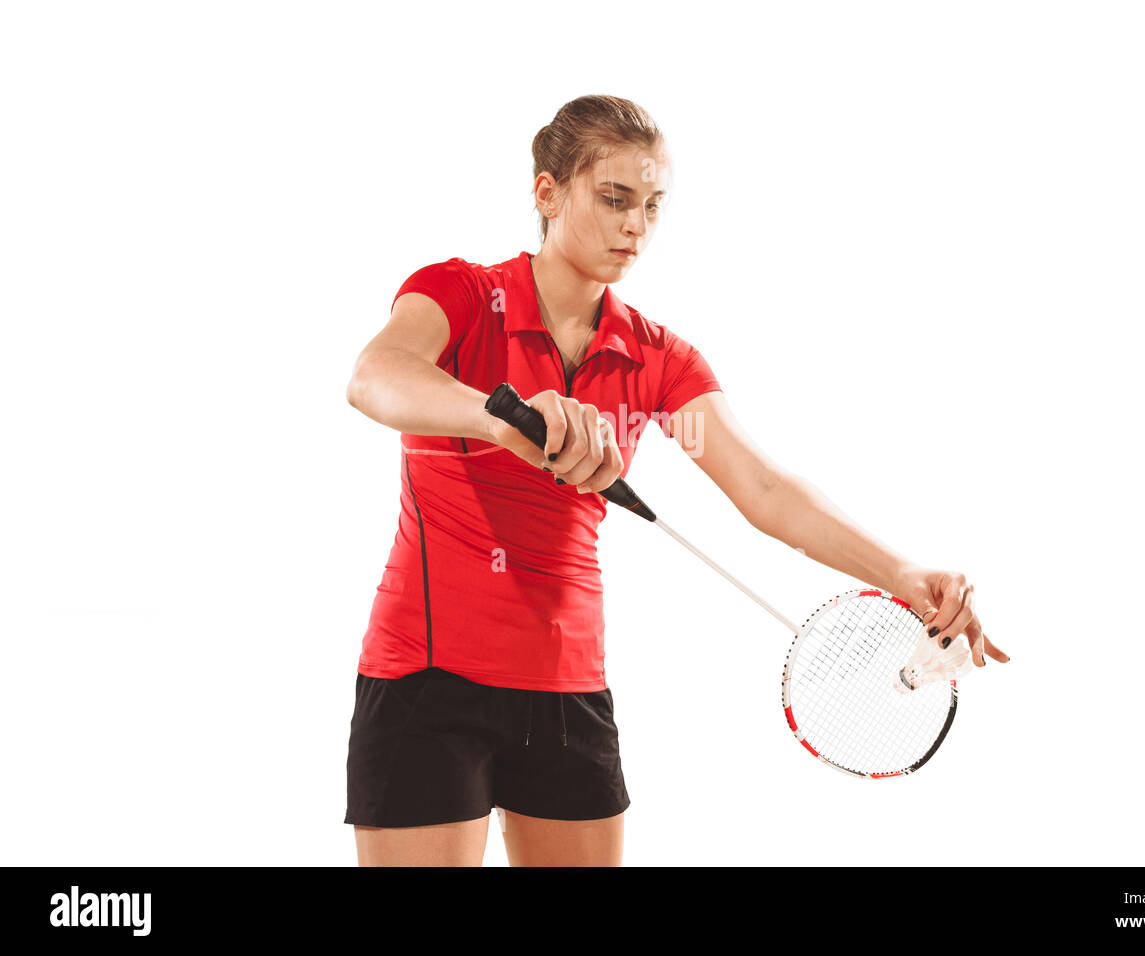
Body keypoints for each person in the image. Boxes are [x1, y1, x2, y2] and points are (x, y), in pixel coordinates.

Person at [343, 94, 1009, 867]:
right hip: (428, 680)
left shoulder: (654, 358)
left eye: (654, 207)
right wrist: (507, 420)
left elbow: (763, 489)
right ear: (547, 192)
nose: (637, 227)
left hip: (567, 690)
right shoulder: (461, 296)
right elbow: (375, 377)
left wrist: (901, 572)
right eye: (615, 199)